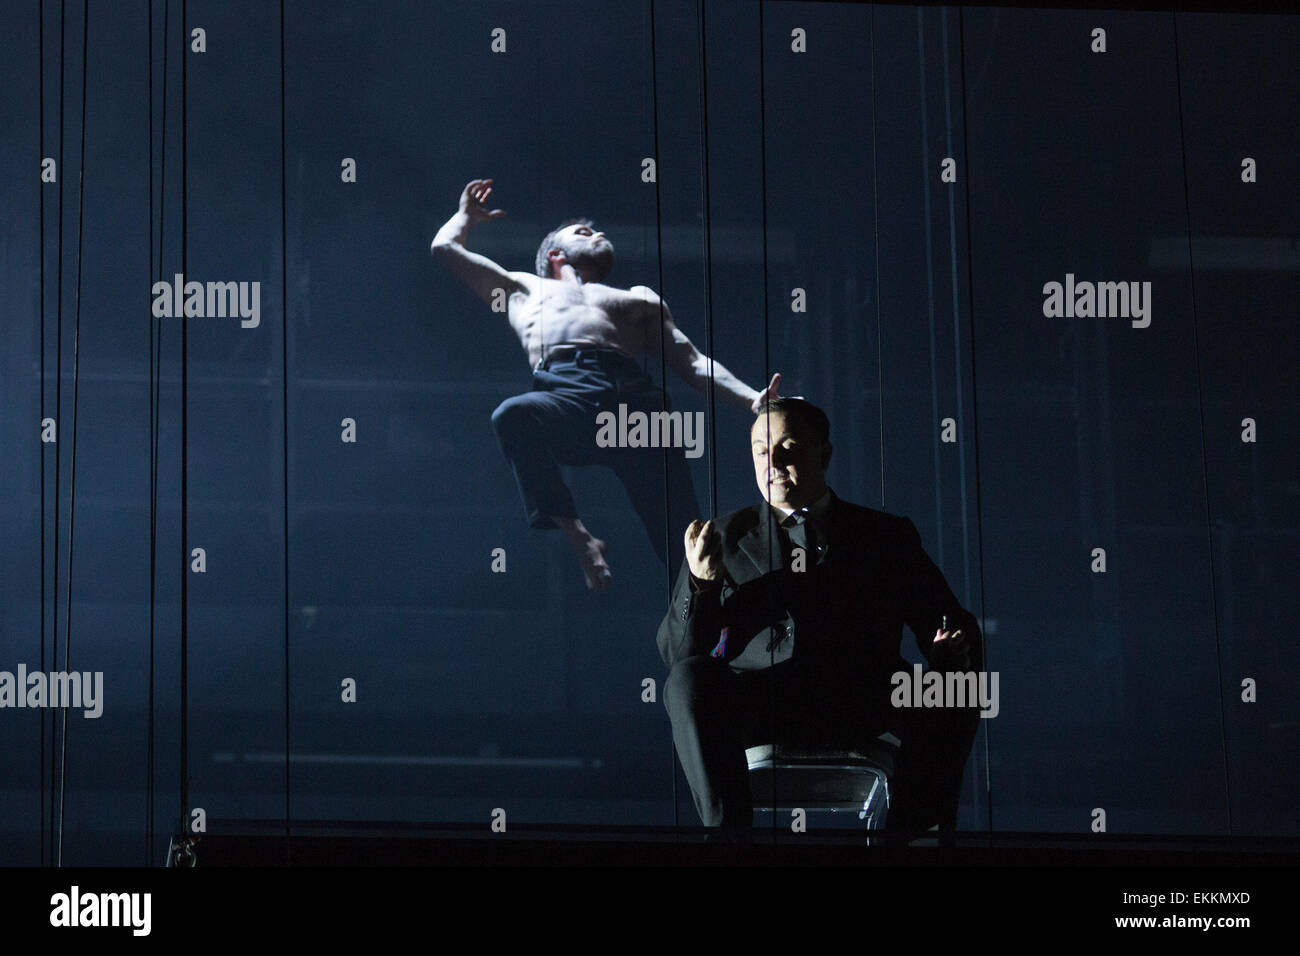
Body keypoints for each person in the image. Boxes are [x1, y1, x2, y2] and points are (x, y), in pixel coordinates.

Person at [656, 397, 984, 840]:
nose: (772, 461)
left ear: (824, 454)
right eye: (760, 449)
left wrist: (949, 651)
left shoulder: (885, 536)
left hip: (863, 699)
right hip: (762, 702)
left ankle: (915, 840)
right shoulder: (724, 537)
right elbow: (679, 655)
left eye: (788, 446)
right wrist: (701, 584)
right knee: (687, 679)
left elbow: (948, 619)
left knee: (955, 686)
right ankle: (728, 843)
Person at [431, 178, 780, 589]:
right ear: (555, 254)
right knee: (513, 415)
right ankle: (580, 537)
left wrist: (754, 401)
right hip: (570, 393)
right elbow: (445, 250)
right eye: (584, 232)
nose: (598, 234)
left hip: (635, 407)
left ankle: (711, 624)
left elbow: (693, 363)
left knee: (686, 539)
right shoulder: (525, 287)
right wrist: (464, 217)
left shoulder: (639, 298)